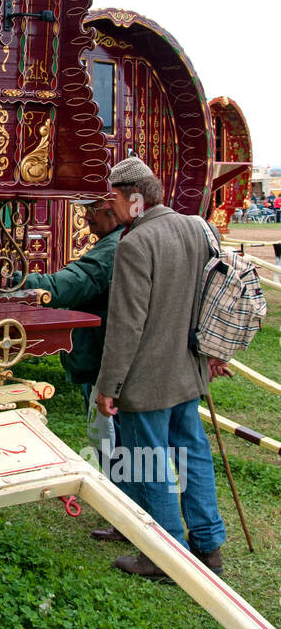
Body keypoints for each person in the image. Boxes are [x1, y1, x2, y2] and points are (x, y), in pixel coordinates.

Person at [95, 157, 227, 579]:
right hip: (188, 371)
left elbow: (127, 324)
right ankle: (208, 546)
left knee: (150, 462)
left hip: (147, 380)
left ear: (135, 199)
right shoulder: (196, 227)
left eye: (113, 198)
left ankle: (165, 557)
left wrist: (108, 385)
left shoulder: (135, 244)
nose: (110, 207)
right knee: (193, 457)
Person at [22, 197, 124, 531]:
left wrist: (20, 282)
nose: (86, 220)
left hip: (105, 359)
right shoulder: (120, 240)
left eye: (90, 212)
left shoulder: (112, 249)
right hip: (113, 356)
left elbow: (73, 284)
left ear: (111, 208)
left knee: (109, 436)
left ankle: (125, 512)